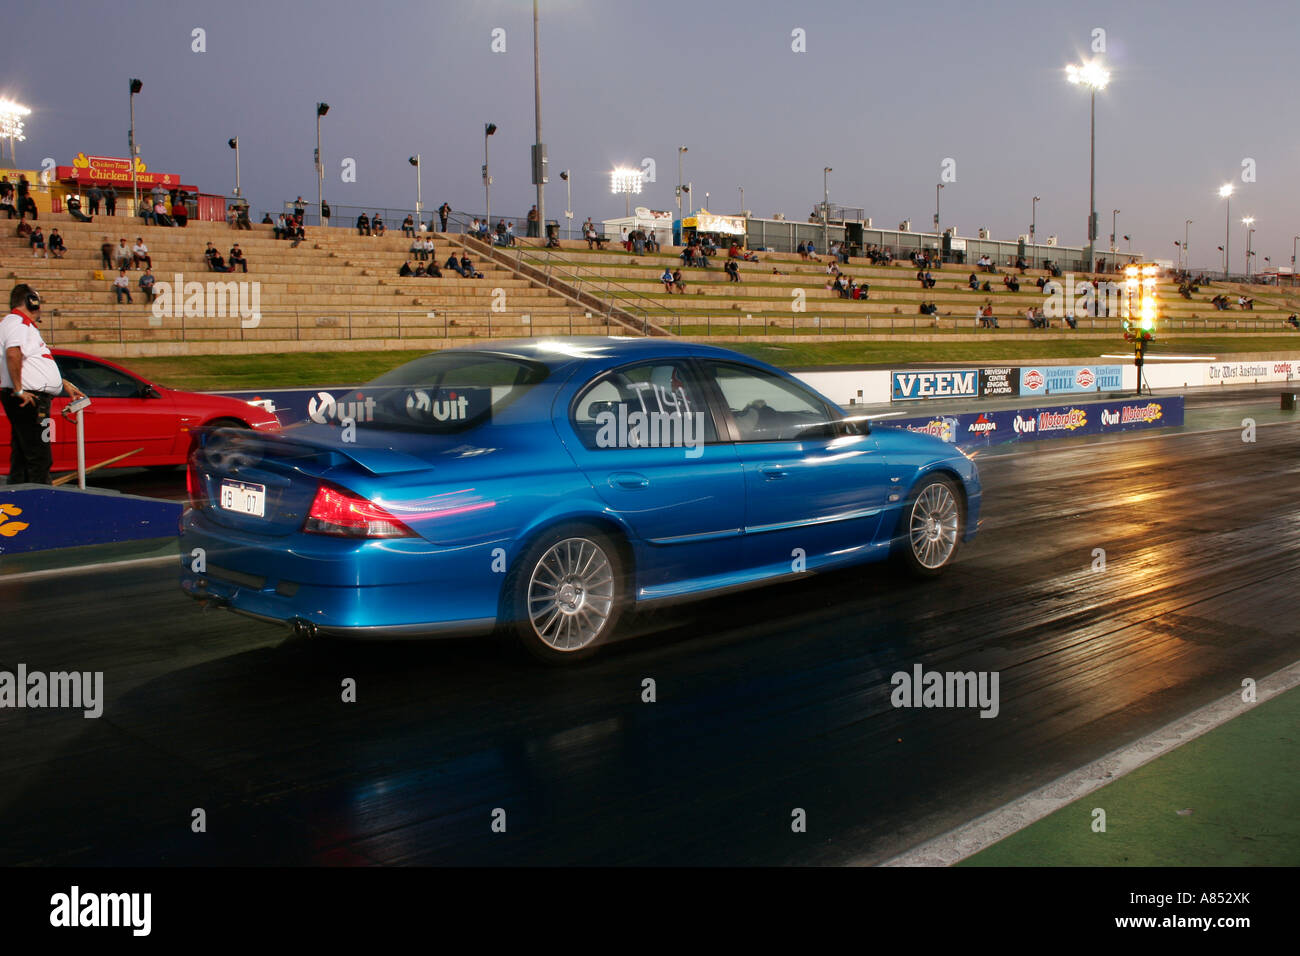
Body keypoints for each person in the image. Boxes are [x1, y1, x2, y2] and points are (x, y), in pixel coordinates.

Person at [1, 285, 87, 485]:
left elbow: (31, 362)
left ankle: (21, 502)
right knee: (39, 457)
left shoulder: (21, 325)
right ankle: (40, 503)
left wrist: (62, 383)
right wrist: (19, 389)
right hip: (29, 399)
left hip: (32, 397)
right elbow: (13, 354)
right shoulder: (18, 323)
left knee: (24, 456)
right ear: (31, 301)